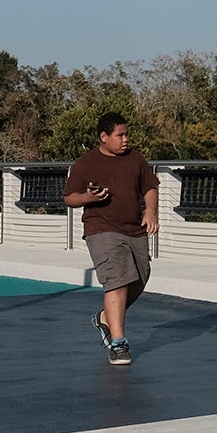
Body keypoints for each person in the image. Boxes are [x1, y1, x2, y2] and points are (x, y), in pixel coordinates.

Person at [66, 111, 160, 366]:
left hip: (134, 229)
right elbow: (69, 197)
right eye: (120, 135)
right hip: (101, 229)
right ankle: (118, 344)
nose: (125, 139)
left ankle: (106, 317)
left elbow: (150, 186)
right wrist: (88, 198)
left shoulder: (135, 159)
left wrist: (150, 211)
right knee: (117, 282)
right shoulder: (85, 164)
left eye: (126, 134)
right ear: (104, 137)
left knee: (140, 279)